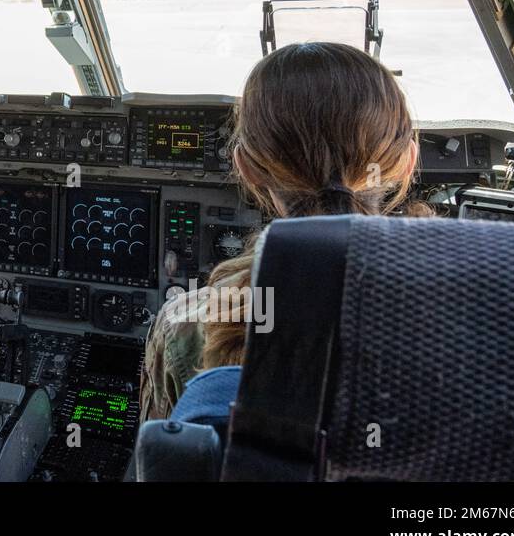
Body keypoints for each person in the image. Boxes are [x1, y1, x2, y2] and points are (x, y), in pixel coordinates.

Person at [139, 41, 429, 420]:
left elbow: (161, 458)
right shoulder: (478, 311)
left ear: (245, 166)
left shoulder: (184, 325)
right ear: (408, 161)